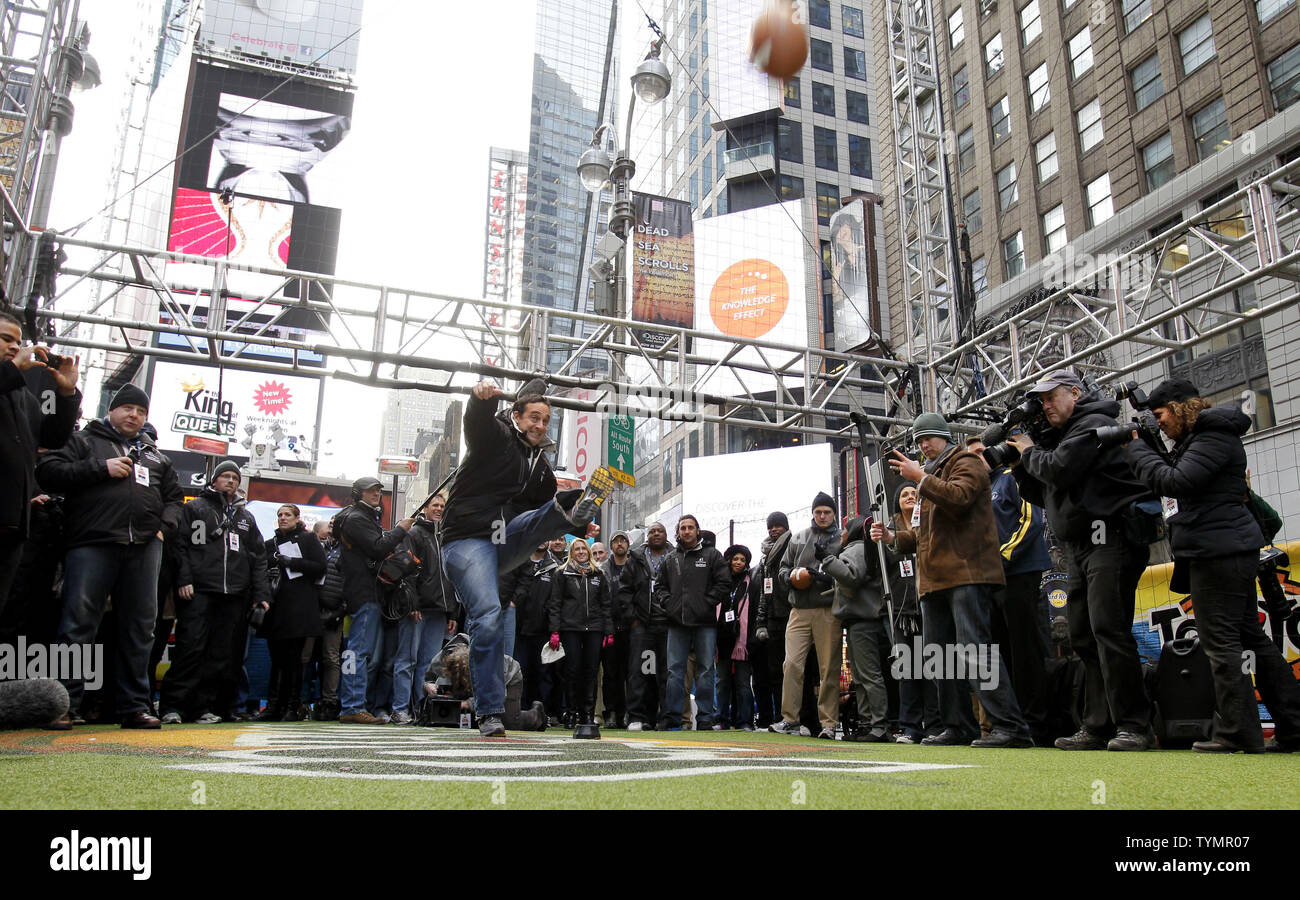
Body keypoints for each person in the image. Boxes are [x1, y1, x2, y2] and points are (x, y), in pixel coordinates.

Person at [1126, 378, 1300, 753]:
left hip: (1217, 552)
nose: (1160, 424)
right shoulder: (1208, 435)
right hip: (1224, 549)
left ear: (1177, 407)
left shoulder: (1212, 435)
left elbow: (1176, 481)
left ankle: (1238, 732)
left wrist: (1138, 451)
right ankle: (1292, 727)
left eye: (1160, 416)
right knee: (1251, 641)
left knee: (1222, 645)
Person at [439, 377, 613, 737]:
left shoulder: (540, 469)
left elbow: (538, 518)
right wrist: (481, 401)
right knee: (487, 616)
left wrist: (579, 530)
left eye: (546, 420)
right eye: (534, 417)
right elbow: (477, 426)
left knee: (551, 507)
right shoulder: (498, 439)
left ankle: (578, 513)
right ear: (516, 417)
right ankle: (489, 712)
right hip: (466, 541)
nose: (540, 425)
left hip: (505, 540)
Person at [1007, 368, 1154, 751]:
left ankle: (1135, 725)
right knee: (1084, 634)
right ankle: (1098, 724)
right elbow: (1046, 493)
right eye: (1041, 400)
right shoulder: (1065, 436)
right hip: (1082, 546)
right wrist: (1023, 466)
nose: (1045, 406)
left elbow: (1057, 469)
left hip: (1112, 537)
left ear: (1074, 392)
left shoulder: (1094, 424)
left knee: (1109, 629)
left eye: (1051, 397)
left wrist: (1028, 450)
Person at [870, 413, 1032, 748]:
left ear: (945, 436)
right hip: (934, 580)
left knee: (975, 648)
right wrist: (890, 537)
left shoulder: (966, 463)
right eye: (918, 440)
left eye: (929, 437)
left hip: (966, 573)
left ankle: (1009, 725)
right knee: (940, 656)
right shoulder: (931, 476)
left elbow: (960, 499)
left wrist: (921, 478)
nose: (923, 445)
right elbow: (922, 536)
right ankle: (958, 725)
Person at [37, 384, 184, 728]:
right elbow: (48, 471)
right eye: (128, 408)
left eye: (141, 411)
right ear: (113, 410)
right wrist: (100, 469)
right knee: (77, 625)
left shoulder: (155, 456)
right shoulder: (85, 441)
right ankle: (63, 704)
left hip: (145, 547)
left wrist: (164, 528)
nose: (134, 415)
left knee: (140, 629)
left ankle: (134, 706)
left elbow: (175, 499)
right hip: (93, 542)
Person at [159, 460, 270, 724]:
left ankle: (203, 707)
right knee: (190, 648)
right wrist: (184, 579)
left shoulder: (245, 518)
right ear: (214, 480)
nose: (231, 481)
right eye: (226, 476)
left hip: (234, 593)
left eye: (235, 477)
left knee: (222, 655)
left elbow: (258, 557)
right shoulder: (195, 508)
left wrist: (261, 595)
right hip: (199, 589)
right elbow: (180, 546)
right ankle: (172, 706)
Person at [967, 435, 1053, 745]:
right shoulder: (976, 490)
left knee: (1026, 651)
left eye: (982, 451)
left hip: (1020, 574)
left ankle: (1037, 724)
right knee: (999, 651)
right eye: (972, 454)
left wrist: (1003, 555)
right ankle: (1010, 724)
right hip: (989, 581)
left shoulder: (1011, 477)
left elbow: (1032, 519)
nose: (980, 457)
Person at [0, 311, 80, 608]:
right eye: (6, 339)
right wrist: (12, 371)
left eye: (18, 341)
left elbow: (53, 438)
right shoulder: (10, 380)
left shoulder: (21, 396)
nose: (15, 347)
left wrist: (66, 391)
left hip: (12, 524)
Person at [334, 475, 414, 725]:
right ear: (358, 493)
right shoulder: (357, 519)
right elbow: (379, 548)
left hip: (362, 592)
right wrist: (401, 529)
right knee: (358, 652)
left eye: (378, 490)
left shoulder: (358, 517)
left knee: (357, 651)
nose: (376, 494)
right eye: (370, 490)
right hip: (363, 592)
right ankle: (352, 705)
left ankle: (353, 704)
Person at [771, 493, 845, 739]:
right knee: (791, 663)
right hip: (799, 608)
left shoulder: (841, 538)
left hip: (828, 608)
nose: (822, 516)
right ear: (813, 514)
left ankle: (829, 723)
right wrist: (791, 577)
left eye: (827, 512)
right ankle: (789, 719)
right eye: (818, 512)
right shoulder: (799, 537)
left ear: (834, 513)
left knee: (829, 667)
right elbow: (782, 567)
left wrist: (828, 576)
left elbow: (849, 570)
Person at [654, 515, 729, 731]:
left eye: (690, 527)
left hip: (705, 622)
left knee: (706, 670)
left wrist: (707, 603)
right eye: (683, 528)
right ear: (678, 532)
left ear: (697, 530)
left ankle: (705, 717)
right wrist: (669, 604)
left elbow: (723, 583)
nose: (686, 531)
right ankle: (673, 716)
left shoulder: (712, 555)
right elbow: (659, 587)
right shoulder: (671, 558)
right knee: (674, 671)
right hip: (677, 623)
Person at [823, 516, 891, 741]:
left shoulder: (857, 547)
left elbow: (851, 576)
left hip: (863, 621)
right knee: (862, 677)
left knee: (868, 675)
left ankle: (877, 725)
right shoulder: (861, 548)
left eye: (845, 529)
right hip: (860, 621)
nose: (841, 533)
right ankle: (867, 723)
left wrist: (827, 560)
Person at [391, 494, 458, 724]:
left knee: (429, 665)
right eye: (435, 505)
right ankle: (400, 709)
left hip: (439, 610)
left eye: (442, 505)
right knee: (407, 659)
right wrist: (411, 603)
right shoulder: (414, 534)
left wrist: (452, 612)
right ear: (425, 508)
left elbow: (450, 578)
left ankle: (422, 710)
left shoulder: (446, 537)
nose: (439, 509)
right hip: (417, 608)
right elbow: (406, 569)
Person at [256, 503, 325, 721]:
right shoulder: (270, 544)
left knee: (294, 660)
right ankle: (273, 705)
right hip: (276, 607)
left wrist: (291, 562)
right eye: (280, 515)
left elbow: (320, 566)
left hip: (299, 608)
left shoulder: (307, 539)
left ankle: (291, 705)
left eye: (287, 514)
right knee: (276, 660)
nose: (283, 518)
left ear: (297, 518)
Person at [886, 483, 941, 743]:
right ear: (897, 501)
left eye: (914, 493)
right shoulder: (888, 532)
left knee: (933, 665)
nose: (909, 497)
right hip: (900, 610)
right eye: (904, 494)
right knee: (906, 669)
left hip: (930, 602)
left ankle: (934, 724)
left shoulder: (930, 524)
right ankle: (910, 726)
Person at [547, 539, 612, 728]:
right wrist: (554, 631)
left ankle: (588, 714)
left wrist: (608, 631)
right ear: (571, 552)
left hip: (594, 628)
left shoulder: (599, 573)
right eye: (577, 549)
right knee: (572, 670)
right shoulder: (562, 573)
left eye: (584, 548)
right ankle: (572, 712)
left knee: (591, 672)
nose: (581, 551)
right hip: (570, 628)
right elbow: (555, 603)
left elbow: (605, 604)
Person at [424, 634, 546, 731]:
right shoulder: (444, 657)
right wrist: (429, 685)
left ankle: (537, 714)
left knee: (509, 723)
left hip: (508, 678)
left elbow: (496, 695)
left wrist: (468, 704)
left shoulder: (488, 663)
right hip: (480, 682)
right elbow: (428, 678)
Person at [625, 522, 668, 730]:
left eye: (659, 531)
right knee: (641, 670)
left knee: (666, 672)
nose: (656, 534)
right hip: (643, 625)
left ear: (666, 535)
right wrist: (633, 617)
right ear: (647, 536)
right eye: (652, 531)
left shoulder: (675, 556)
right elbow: (624, 590)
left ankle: (663, 717)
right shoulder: (636, 558)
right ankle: (636, 716)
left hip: (668, 625)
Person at [512, 542, 562, 719]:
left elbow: (556, 601)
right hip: (519, 628)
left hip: (543, 630)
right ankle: (519, 710)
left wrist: (553, 629)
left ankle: (543, 713)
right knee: (519, 671)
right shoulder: (518, 559)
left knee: (544, 674)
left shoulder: (555, 566)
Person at [306, 519, 344, 720]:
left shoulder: (346, 551)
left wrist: (340, 610)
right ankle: (302, 700)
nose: (332, 526)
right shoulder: (316, 547)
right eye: (329, 524)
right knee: (306, 657)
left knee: (331, 658)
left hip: (333, 611)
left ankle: (329, 701)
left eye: (335, 524)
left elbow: (351, 583)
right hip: (312, 609)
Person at [715, 544, 756, 730]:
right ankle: (721, 720)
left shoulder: (750, 583)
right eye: (735, 559)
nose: (738, 562)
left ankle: (745, 721)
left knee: (743, 684)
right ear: (729, 560)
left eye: (742, 559)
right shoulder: (721, 581)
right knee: (722, 682)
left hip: (742, 640)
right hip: (722, 638)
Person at [598, 531, 634, 728]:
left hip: (632, 627)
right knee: (611, 673)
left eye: (623, 541)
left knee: (632, 673)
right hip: (610, 627)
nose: (619, 544)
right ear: (611, 546)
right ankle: (611, 712)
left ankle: (629, 712)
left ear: (628, 544)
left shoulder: (636, 566)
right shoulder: (603, 569)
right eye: (616, 541)